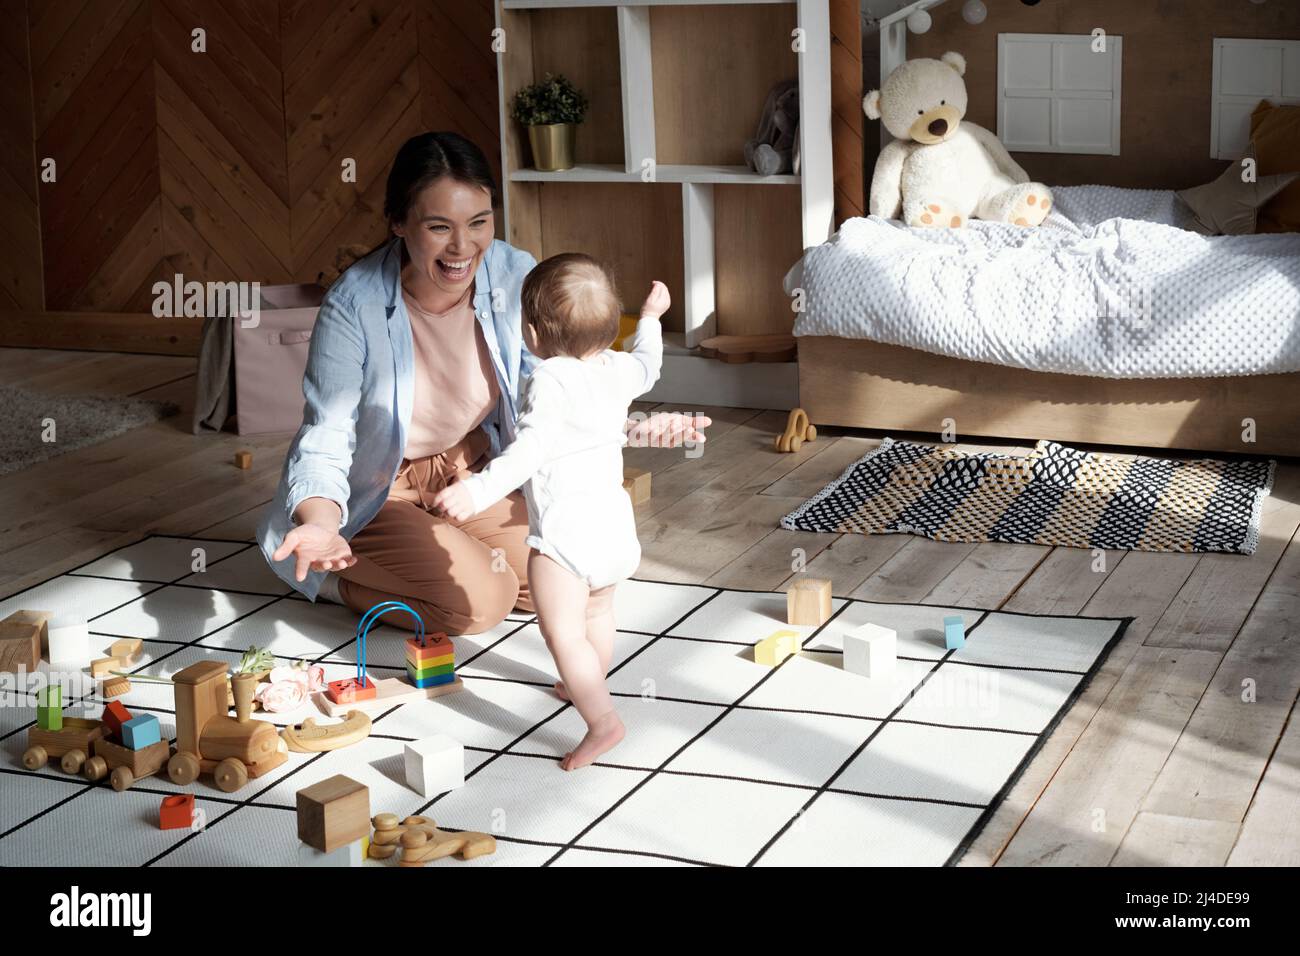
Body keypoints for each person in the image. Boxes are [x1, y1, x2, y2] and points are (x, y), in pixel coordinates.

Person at [258, 131, 709, 637]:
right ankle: (336, 581)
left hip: (470, 471)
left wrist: (634, 427)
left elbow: (556, 393)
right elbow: (327, 433)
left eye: (479, 223)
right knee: (478, 606)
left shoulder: (514, 274)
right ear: (399, 223)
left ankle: (443, 546)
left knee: (557, 574)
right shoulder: (354, 305)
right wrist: (319, 520)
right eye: (438, 226)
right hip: (381, 488)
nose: (462, 247)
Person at [433, 255, 667, 769]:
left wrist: (477, 491)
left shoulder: (549, 379)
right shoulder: (619, 367)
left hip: (565, 536)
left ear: (534, 333)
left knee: (561, 631)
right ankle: (584, 683)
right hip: (613, 524)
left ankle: (602, 722)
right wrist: (650, 318)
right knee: (598, 612)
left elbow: (530, 451)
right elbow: (649, 363)